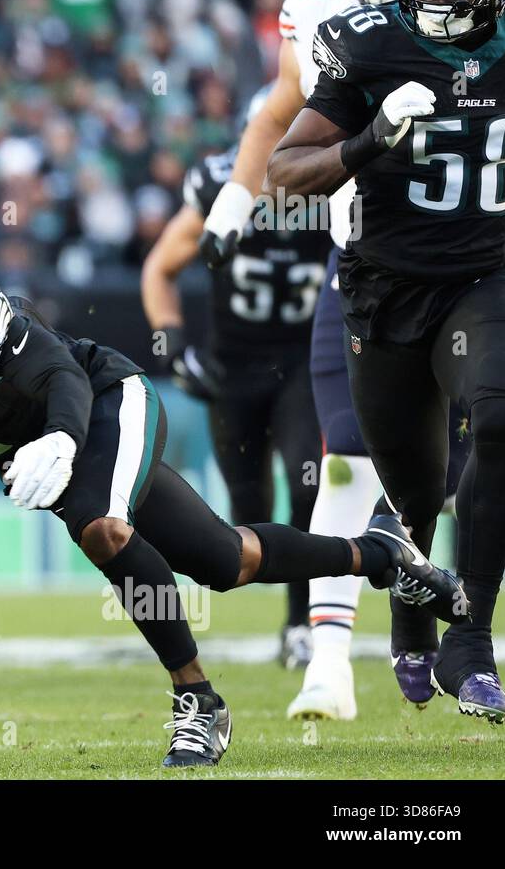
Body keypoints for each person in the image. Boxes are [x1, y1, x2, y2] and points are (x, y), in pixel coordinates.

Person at [0, 228, 468, 767]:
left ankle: (197, 701)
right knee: (222, 558)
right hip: (47, 451)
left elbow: (60, 375)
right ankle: (380, 555)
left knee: (102, 528)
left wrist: (63, 440)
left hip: (102, 403)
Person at [197, 0, 450, 720]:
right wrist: (236, 202)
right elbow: (278, 113)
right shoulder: (321, 17)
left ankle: (430, 625)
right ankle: (330, 661)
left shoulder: (485, 23)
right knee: (344, 460)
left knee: (455, 472)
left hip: (476, 272)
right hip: (368, 272)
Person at [268, 0, 505, 722]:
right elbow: (286, 171)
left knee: (502, 418)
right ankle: (413, 613)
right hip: (384, 286)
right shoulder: (366, 40)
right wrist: (372, 138)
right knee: (410, 486)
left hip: (486, 274)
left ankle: (470, 640)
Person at [142, 127, 330, 669]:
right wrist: (173, 348)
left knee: (306, 484)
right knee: (249, 513)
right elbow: (160, 269)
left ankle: (302, 625)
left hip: (301, 364)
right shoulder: (220, 187)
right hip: (234, 370)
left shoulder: (333, 188)